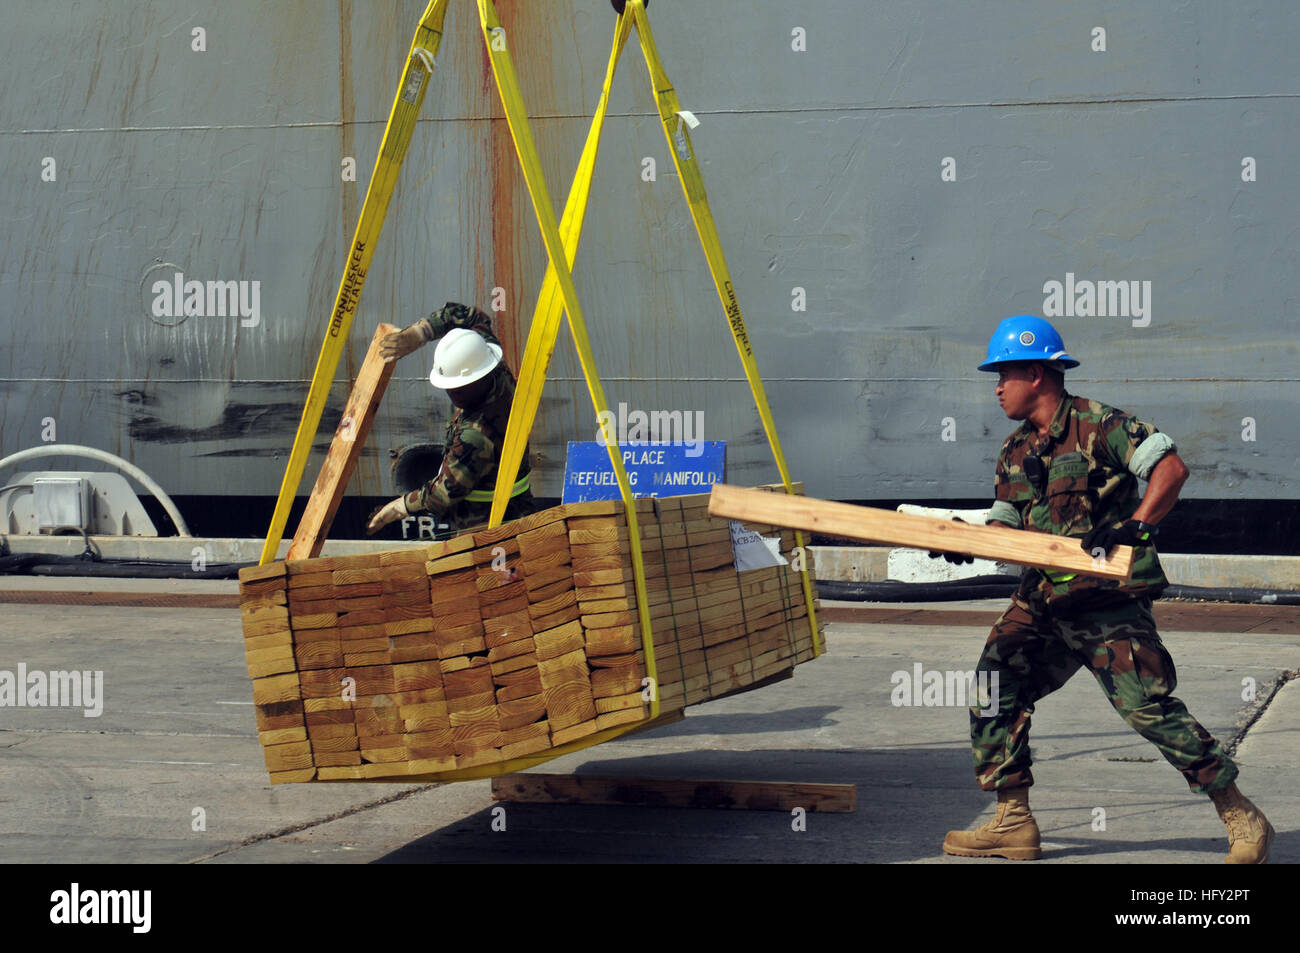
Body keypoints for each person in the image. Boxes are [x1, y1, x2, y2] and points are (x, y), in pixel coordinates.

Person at [936, 315, 1273, 863]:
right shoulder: (1013, 450)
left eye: (1004, 374)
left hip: (1105, 604)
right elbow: (1004, 529)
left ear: (1038, 374)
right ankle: (1013, 822)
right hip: (1041, 603)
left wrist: (1138, 525)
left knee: (1148, 708)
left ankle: (1241, 816)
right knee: (992, 688)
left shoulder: (1101, 424)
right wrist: (964, 542)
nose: (996, 387)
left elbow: (1170, 469)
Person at [366, 302, 535, 536]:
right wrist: (422, 332)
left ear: (479, 378)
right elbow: (468, 316)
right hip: (515, 510)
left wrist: (400, 507)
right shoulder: (492, 364)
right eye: (449, 387)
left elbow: (443, 494)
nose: (454, 394)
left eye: (460, 388)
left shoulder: (478, 432)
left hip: (488, 525)